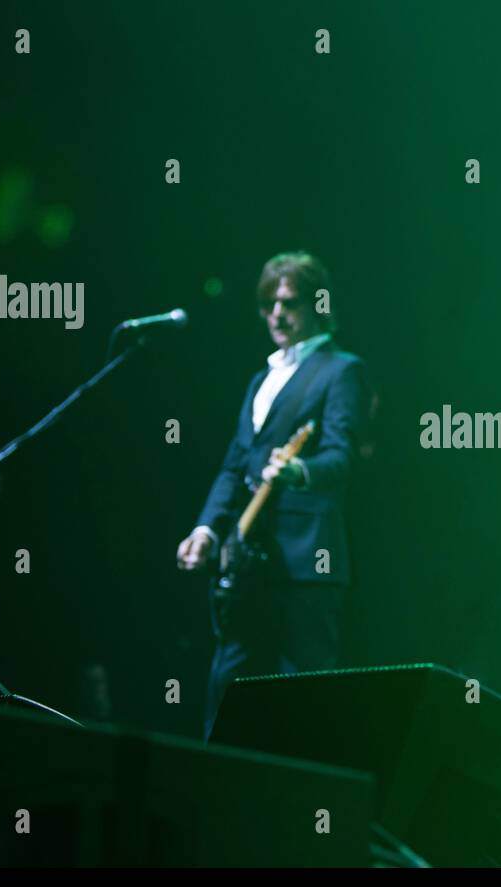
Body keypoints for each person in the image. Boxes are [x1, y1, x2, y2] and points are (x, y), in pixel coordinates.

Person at [176, 251, 371, 738]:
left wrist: (298, 470)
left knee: (300, 698)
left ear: (316, 303)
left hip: (307, 562)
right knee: (227, 685)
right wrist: (206, 527)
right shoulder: (259, 379)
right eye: (268, 305)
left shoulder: (341, 369)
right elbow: (233, 464)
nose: (277, 314)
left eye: (288, 302)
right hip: (247, 561)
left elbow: (342, 458)